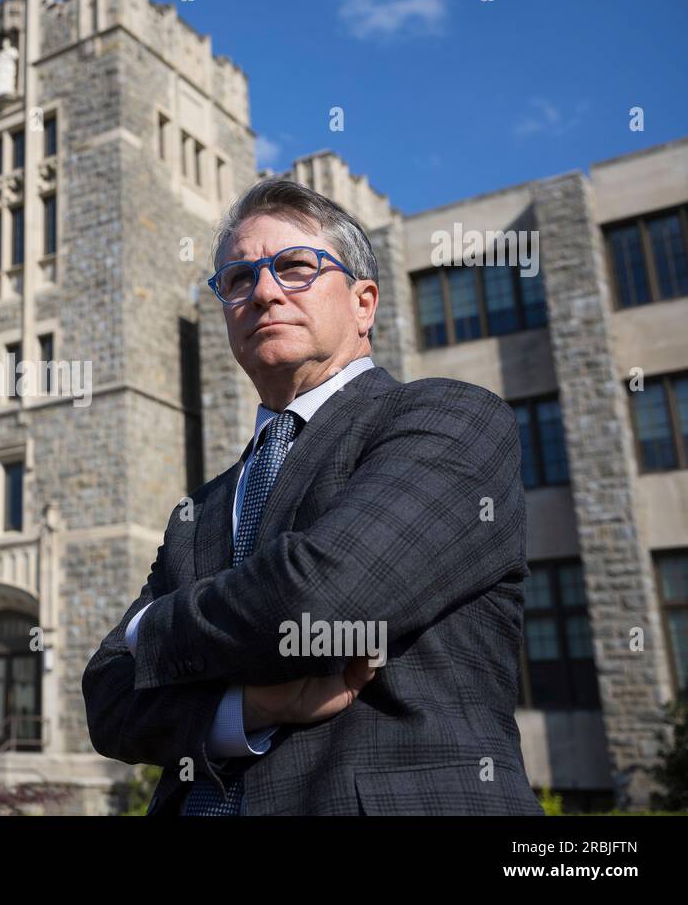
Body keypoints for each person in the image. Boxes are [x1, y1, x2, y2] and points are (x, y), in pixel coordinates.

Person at [82, 179, 541, 815]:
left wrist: (143, 628)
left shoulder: (448, 420)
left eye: (295, 267)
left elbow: (324, 596)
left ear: (364, 303)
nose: (264, 292)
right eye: (238, 280)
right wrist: (249, 707)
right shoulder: (200, 511)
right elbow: (108, 704)